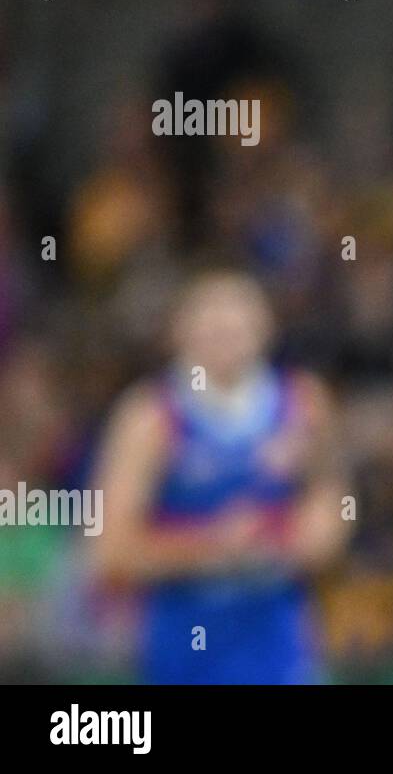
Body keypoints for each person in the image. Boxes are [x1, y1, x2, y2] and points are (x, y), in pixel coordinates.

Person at [91, 269, 349, 683]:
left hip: (280, 652)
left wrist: (294, 540)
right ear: (178, 329)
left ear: (267, 325)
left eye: (238, 315)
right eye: (210, 317)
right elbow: (108, 551)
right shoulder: (151, 417)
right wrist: (213, 547)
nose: (226, 328)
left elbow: (333, 505)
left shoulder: (304, 402)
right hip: (185, 656)